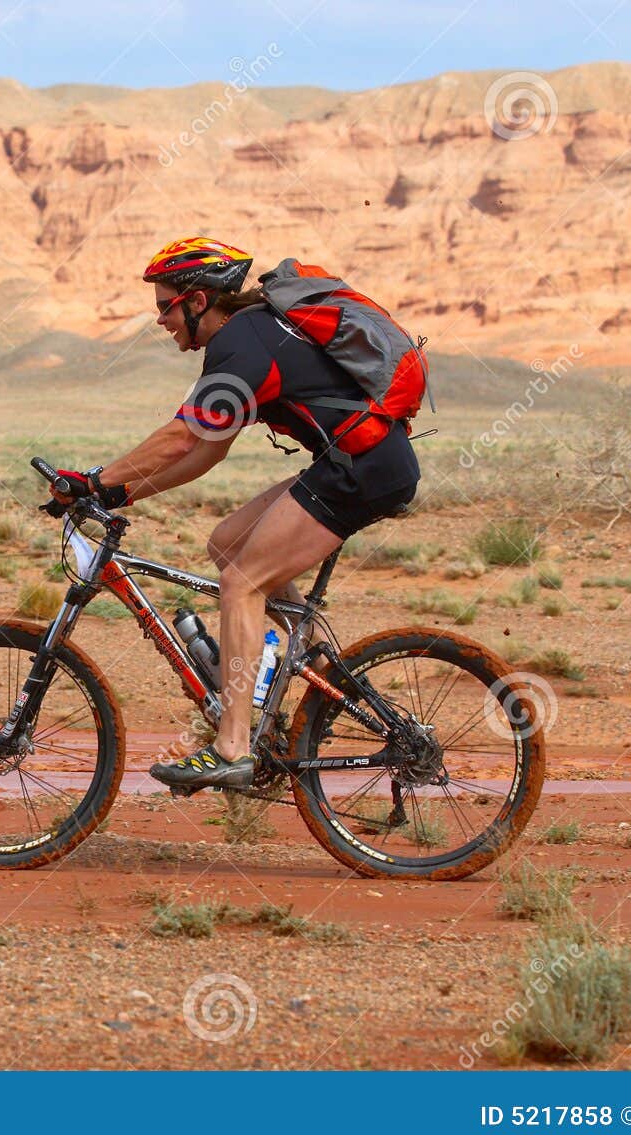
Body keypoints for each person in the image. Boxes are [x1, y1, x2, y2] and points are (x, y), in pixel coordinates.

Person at [47, 237, 421, 790]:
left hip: (361, 469)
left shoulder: (242, 344)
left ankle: (232, 747)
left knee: (241, 583)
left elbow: (178, 439)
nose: (161, 322)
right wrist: (121, 495)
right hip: (358, 463)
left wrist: (95, 479)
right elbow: (205, 449)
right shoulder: (253, 338)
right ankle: (318, 668)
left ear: (198, 301)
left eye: (165, 307)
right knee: (227, 542)